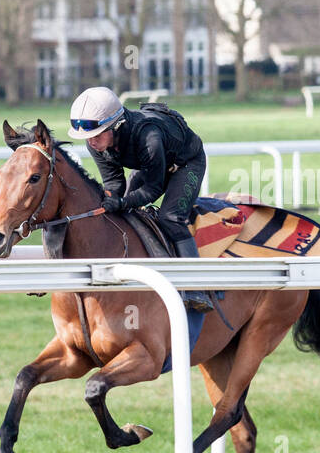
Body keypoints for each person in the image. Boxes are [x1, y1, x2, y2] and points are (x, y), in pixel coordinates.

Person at [68, 86, 212, 311]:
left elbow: (153, 189)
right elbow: (114, 182)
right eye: (87, 137)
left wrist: (123, 202)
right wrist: (110, 200)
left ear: (116, 126)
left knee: (170, 217)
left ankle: (197, 289)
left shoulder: (149, 137)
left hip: (187, 163)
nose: (92, 142)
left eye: (96, 135)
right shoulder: (97, 142)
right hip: (152, 162)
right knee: (122, 213)